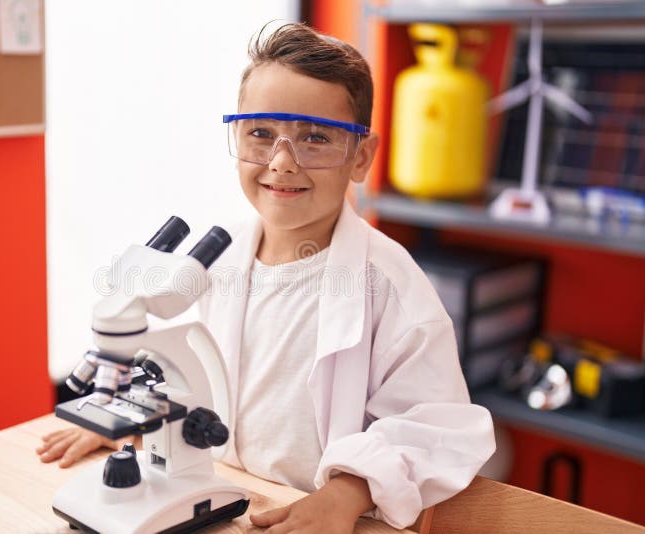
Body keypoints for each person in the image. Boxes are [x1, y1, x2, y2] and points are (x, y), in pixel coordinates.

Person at [37, 22, 495, 532]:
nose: (281, 162)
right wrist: (141, 427)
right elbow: (187, 370)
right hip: (225, 499)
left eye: (315, 138)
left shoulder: (390, 287)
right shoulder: (219, 256)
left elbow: (442, 429)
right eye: (260, 133)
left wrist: (346, 493)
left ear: (360, 156)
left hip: (310, 515)